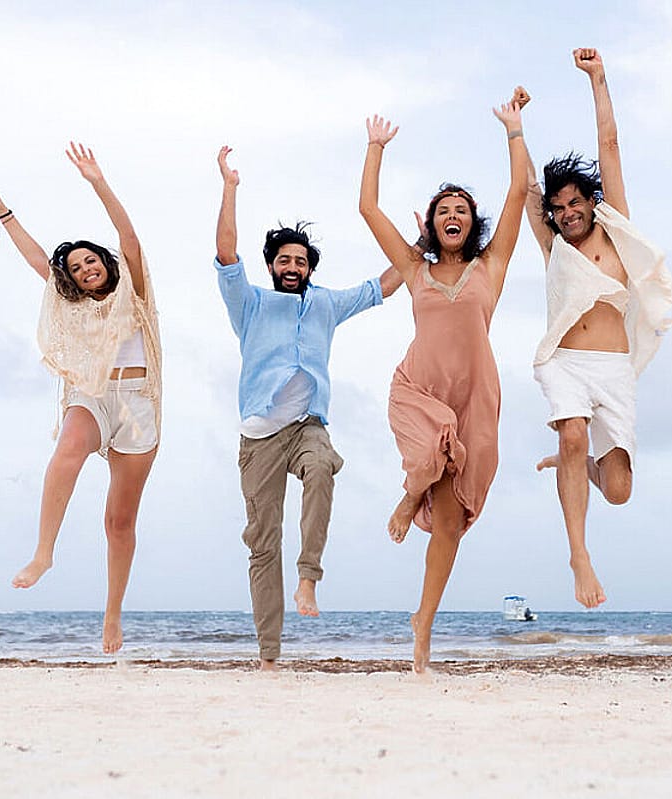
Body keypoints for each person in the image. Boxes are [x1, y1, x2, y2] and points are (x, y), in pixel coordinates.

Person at [359, 90, 528, 673]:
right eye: (442, 209)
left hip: (477, 399)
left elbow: (517, 193)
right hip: (420, 392)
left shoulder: (492, 267)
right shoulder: (414, 270)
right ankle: (410, 498)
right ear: (431, 224)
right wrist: (375, 147)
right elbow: (367, 208)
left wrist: (514, 130)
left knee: (452, 524)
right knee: (434, 444)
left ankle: (422, 626)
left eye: (461, 208)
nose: (452, 215)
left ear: (471, 222)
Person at [214, 146, 402, 671]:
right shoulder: (249, 302)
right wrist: (229, 188)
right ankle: (269, 655)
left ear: (310, 269)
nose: (292, 267)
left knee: (323, 466)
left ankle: (308, 578)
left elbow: (382, 285)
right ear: (273, 265)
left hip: (307, 426)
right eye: (284, 260)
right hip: (259, 438)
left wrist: (422, 245)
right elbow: (226, 252)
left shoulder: (325, 303)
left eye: (300, 261)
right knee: (261, 544)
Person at [0, 143, 161, 654]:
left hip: (139, 403)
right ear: (71, 278)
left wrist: (98, 182)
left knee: (118, 522)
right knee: (69, 449)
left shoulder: (133, 292)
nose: (84, 269)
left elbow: (129, 238)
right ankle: (43, 553)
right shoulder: (70, 305)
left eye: (89, 260)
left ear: (104, 263)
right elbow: (38, 259)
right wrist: (3, 213)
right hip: (92, 393)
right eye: (75, 268)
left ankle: (113, 615)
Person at [526, 49, 672, 609]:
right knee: (569, 430)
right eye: (558, 207)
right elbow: (524, 192)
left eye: (575, 202)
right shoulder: (554, 247)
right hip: (564, 361)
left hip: (613, 369)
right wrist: (517, 130)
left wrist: (599, 78)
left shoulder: (616, 236)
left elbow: (609, 149)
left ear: (592, 201)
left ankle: (577, 464)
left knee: (618, 492)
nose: (567, 212)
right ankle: (578, 555)